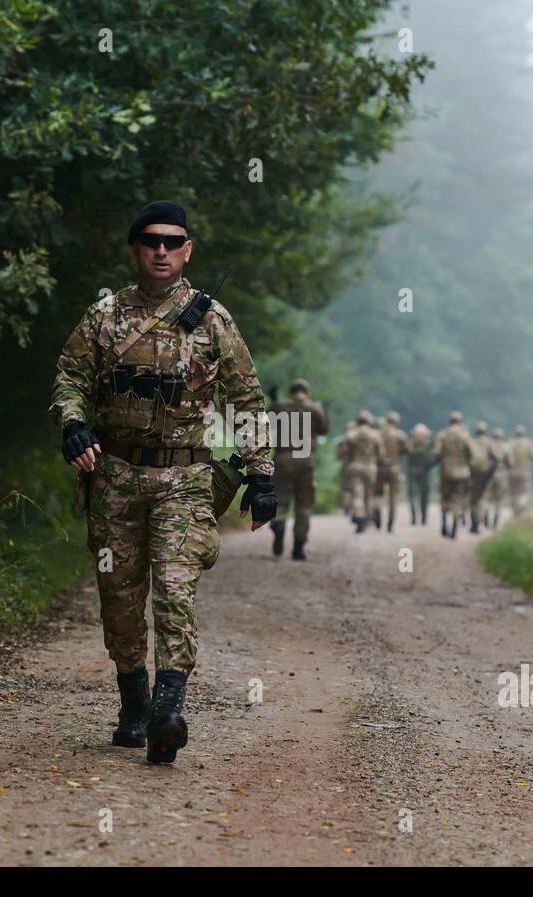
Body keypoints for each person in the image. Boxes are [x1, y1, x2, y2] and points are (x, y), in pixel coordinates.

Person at [49, 199, 276, 765]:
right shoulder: (105, 316)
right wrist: (73, 424)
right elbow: (69, 377)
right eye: (151, 241)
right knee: (120, 598)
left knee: (175, 592)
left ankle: (168, 711)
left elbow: (246, 400)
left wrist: (261, 472)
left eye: (173, 242)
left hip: (186, 477)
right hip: (116, 476)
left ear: (187, 250)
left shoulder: (213, 321)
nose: (161, 251)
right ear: (135, 249)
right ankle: (134, 702)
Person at [270, 378, 329, 559]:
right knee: (304, 504)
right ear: (307, 392)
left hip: (283, 458)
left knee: (280, 498)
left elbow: (267, 421)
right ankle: (298, 546)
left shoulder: (280, 405)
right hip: (305, 460)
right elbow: (324, 430)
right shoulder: (314, 408)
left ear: (291, 392)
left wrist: (274, 401)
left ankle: (279, 523)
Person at [433, 411, 482, 539]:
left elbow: (436, 452)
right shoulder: (465, 436)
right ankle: (455, 523)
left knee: (445, 497)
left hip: (446, 471)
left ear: (449, 421)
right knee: (458, 498)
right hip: (462, 472)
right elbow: (474, 455)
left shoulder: (442, 435)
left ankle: (444, 521)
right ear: (460, 421)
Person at [341, 410, 384, 533]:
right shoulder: (375, 434)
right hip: (370, 467)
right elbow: (381, 454)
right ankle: (367, 518)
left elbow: (342, 451)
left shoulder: (351, 433)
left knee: (357, 494)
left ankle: (359, 516)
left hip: (355, 465)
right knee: (369, 495)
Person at [376, 411, 407, 532]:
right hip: (394, 468)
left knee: (377, 494)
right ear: (397, 422)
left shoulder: (378, 433)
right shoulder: (399, 434)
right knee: (393, 497)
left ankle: (377, 512)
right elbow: (407, 449)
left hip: (380, 467)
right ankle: (390, 523)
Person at [467, 420, 495, 533]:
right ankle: (479, 522)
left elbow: (466, 456)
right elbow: (496, 458)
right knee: (482, 499)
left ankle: (474, 523)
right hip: (484, 474)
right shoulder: (489, 443)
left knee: (473, 499)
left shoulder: (471, 441)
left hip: (472, 474)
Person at [406, 422, 433, 525]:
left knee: (412, 495)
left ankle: (413, 518)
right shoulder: (428, 443)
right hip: (425, 473)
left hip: (412, 471)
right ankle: (424, 518)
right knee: (424, 496)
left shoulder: (411, 443)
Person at [486, 426, 513, 530]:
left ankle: (486, 517)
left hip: (489, 474)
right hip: (502, 474)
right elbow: (511, 462)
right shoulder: (506, 447)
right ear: (502, 437)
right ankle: (495, 522)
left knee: (488, 498)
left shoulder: (489, 445)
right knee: (499, 500)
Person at [509, 424, 533, 516]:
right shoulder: (529, 443)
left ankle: (515, 511)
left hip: (512, 472)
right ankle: (521, 505)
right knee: (524, 492)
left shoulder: (511, 443)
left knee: (513, 493)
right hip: (524, 472)